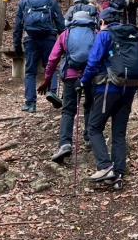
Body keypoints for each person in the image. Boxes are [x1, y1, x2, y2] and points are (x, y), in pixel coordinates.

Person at [79, 8, 138, 185]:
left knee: (94, 127)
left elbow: (93, 61)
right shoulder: (130, 35)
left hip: (108, 88)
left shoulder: (104, 36)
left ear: (102, 22)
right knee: (119, 133)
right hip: (129, 88)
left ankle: (105, 166)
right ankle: (118, 176)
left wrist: (83, 81)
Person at [38, 10, 96, 162]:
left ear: (73, 20)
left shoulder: (66, 34)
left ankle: (65, 144)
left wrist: (47, 80)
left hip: (71, 76)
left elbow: (53, 59)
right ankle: (89, 138)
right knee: (90, 105)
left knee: (68, 111)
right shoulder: (95, 33)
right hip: (90, 76)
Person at [13, 0, 65, 113]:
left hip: (30, 39)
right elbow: (60, 22)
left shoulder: (24, 1)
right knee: (51, 66)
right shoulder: (50, 0)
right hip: (49, 38)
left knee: (30, 71)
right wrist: (65, 41)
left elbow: (18, 25)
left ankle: (31, 103)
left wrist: (17, 45)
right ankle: (52, 92)